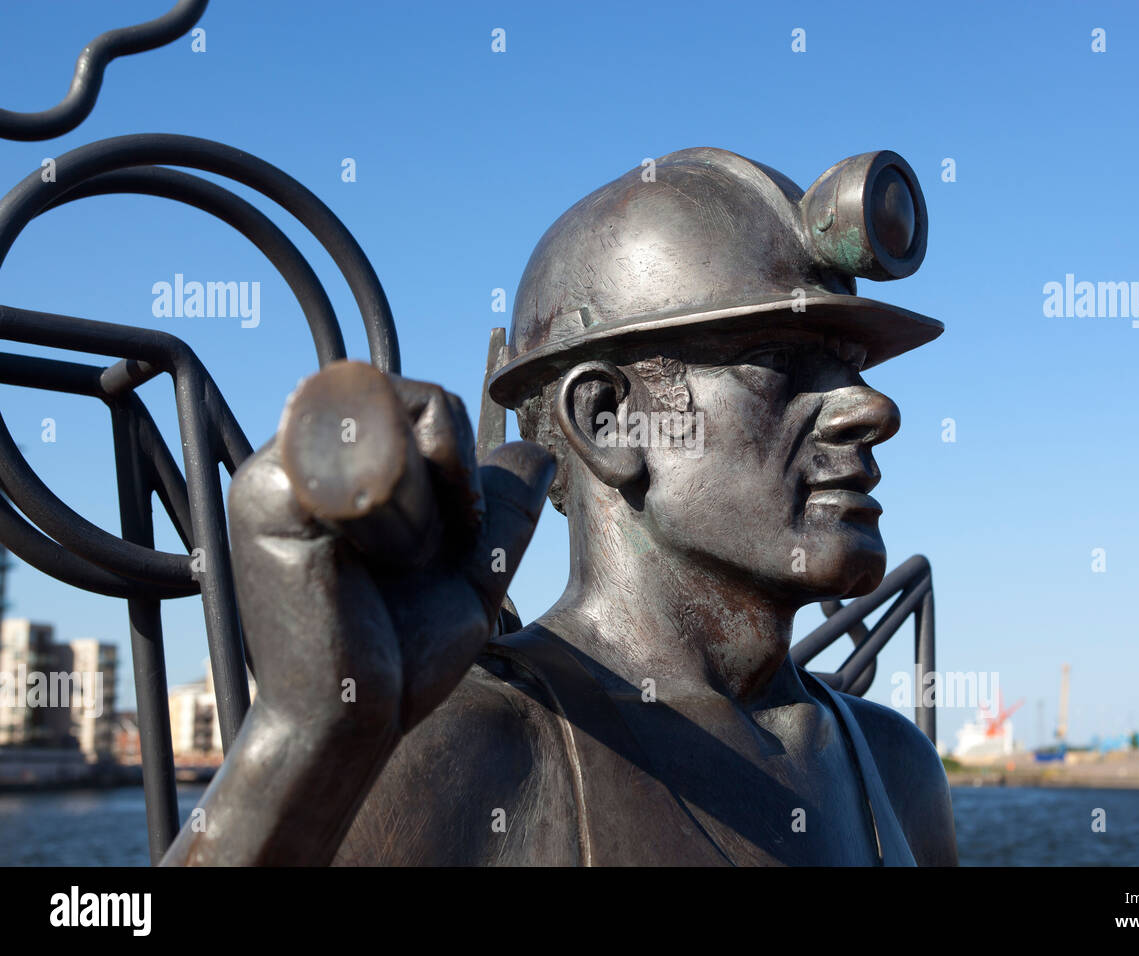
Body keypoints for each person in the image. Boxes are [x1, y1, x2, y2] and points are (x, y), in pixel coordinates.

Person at [163, 147, 958, 866]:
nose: (869, 407)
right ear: (608, 420)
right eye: (777, 360)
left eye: (851, 365)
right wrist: (307, 742)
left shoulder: (893, 766)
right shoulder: (472, 746)